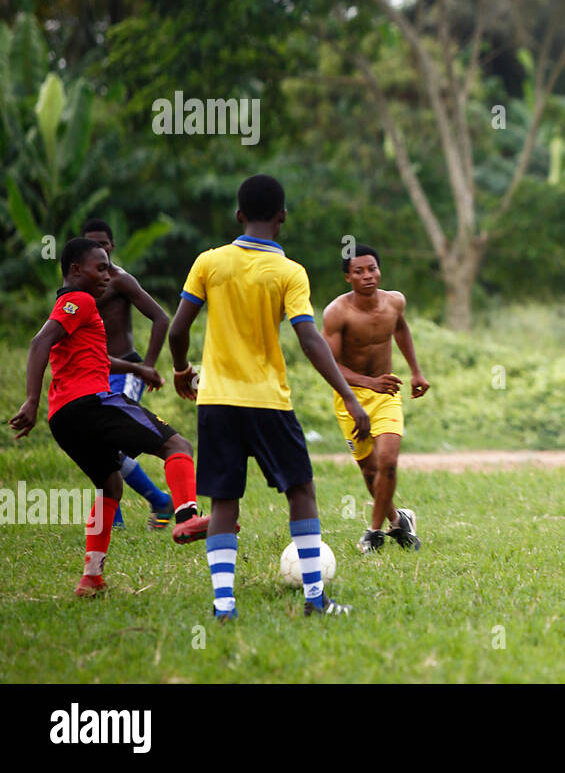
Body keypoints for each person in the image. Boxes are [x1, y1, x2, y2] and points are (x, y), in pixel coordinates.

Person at [169, 175, 371, 619]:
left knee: (224, 500)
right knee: (300, 489)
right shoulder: (289, 272)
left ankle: (225, 606)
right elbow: (310, 340)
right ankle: (316, 600)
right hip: (267, 401)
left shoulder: (209, 262)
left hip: (217, 400)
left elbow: (177, 329)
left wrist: (182, 369)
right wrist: (350, 397)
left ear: (239, 215)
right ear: (282, 217)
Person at [8, 239, 209, 597]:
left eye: (109, 267)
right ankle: (187, 519)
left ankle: (92, 577)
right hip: (93, 403)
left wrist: (138, 369)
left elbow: (96, 358)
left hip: (64, 418)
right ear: (75, 270)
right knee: (177, 444)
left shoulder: (70, 308)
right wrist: (29, 400)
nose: (108, 274)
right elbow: (39, 343)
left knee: (110, 486)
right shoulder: (79, 300)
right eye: (100, 268)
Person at [322, 244, 428, 554]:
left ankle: (372, 532)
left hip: (387, 395)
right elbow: (330, 366)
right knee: (370, 472)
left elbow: (401, 329)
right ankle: (398, 520)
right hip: (349, 398)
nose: (368, 276)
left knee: (389, 463)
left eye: (372, 269)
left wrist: (415, 372)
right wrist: (369, 383)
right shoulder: (336, 313)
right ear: (347, 277)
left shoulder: (395, 302)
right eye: (359, 271)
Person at [82, 218, 176, 529]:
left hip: (127, 369)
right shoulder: (76, 288)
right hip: (93, 373)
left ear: (113, 247)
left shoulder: (121, 280)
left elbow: (161, 318)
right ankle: (136, 511)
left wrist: (147, 366)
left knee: (111, 443)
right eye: (92, 246)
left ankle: (152, 503)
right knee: (97, 444)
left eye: (104, 245)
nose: (100, 252)